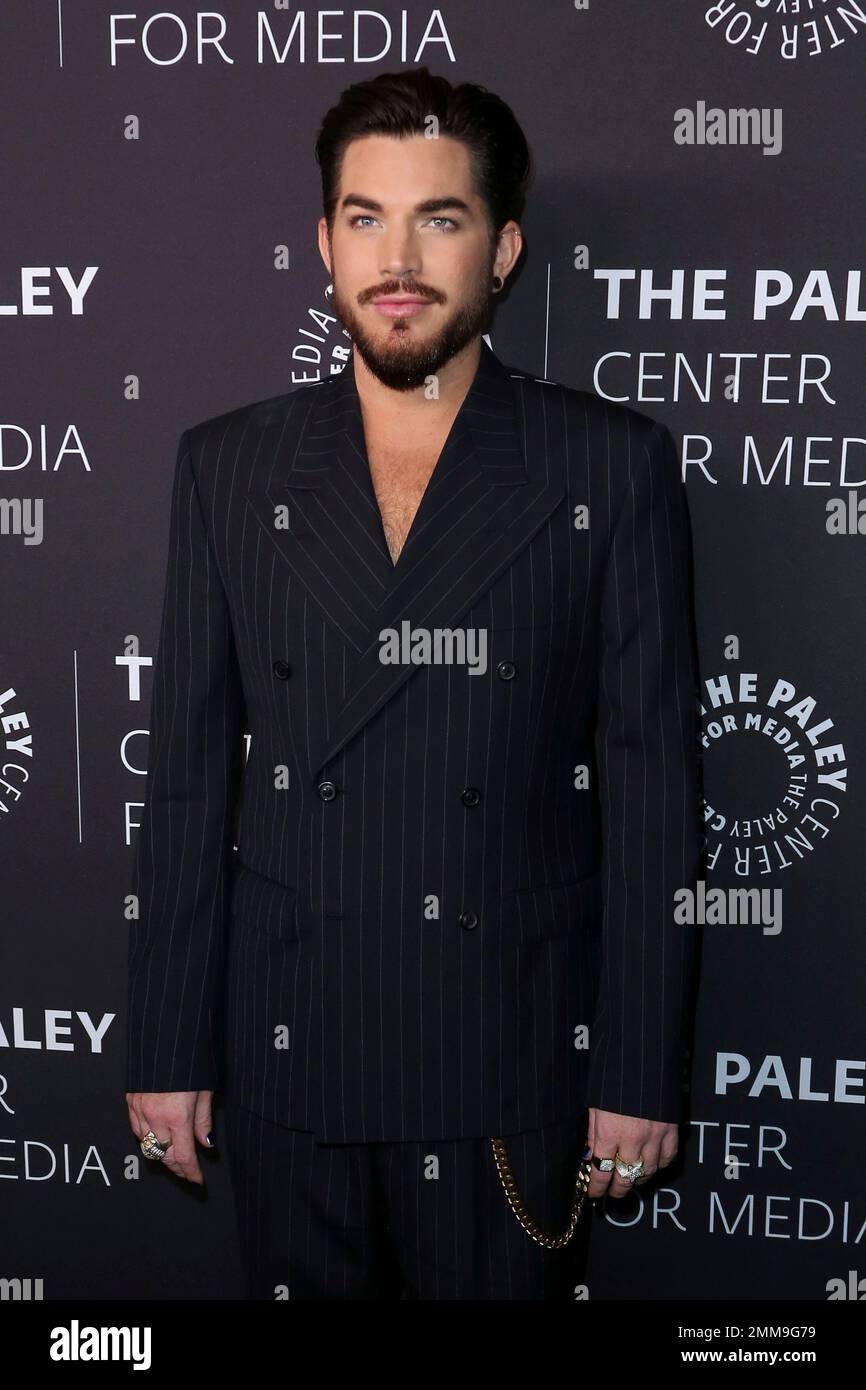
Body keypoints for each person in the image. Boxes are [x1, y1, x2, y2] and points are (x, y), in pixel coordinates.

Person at [126, 66, 702, 1300]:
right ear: (324, 243)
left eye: (437, 218)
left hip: (506, 1055)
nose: (398, 259)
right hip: (290, 1055)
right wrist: (169, 1045)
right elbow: (182, 782)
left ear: (501, 250)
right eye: (364, 217)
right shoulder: (228, 466)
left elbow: (654, 791)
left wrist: (638, 1067)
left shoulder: (608, 465)